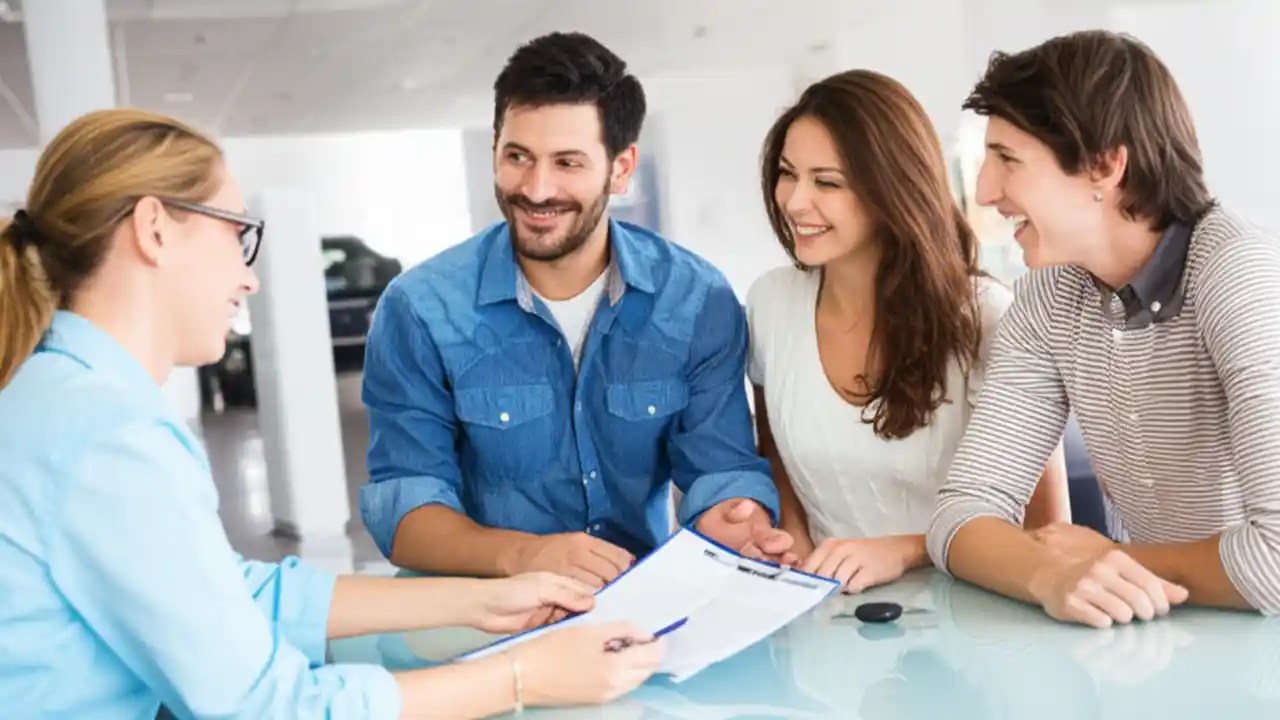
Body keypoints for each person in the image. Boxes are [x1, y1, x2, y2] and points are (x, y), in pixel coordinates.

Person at [0, 108, 664, 719]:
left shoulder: (60, 398)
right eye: (238, 234)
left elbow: (234, 595)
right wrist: (526, 676)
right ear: (154, 228)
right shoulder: (109, 434)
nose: (249, 278)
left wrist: (482, 597)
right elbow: (265, 706)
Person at [360, 31, 793, 587]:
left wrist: (740, 522)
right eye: (517, 157)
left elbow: (721, 468)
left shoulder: (696, 299)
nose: (537, 190)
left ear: (621, 167)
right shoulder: (419, 310)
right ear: (494, 147)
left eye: (567, 163)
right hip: (481, 614)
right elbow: (405, 515)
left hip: (639, 610)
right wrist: (527, 556)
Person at [927, 30, 1280, 627]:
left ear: (1105, 165)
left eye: (1009, 159)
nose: (986, 192)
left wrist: (1114, 557)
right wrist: (1053, 573)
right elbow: (959, 514)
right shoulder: (1049, 296)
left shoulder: (1238, 273)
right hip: (1156, 634)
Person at [748, 69, 1070, 595]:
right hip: (827, 620)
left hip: (973, 621)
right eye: (788, 174)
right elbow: (775, 452)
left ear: (890, 190)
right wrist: (796, 535)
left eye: (827, 182)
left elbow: (1046, 531)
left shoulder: (985, 317)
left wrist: (906, 550)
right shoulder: (769, 303)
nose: (795, 202)